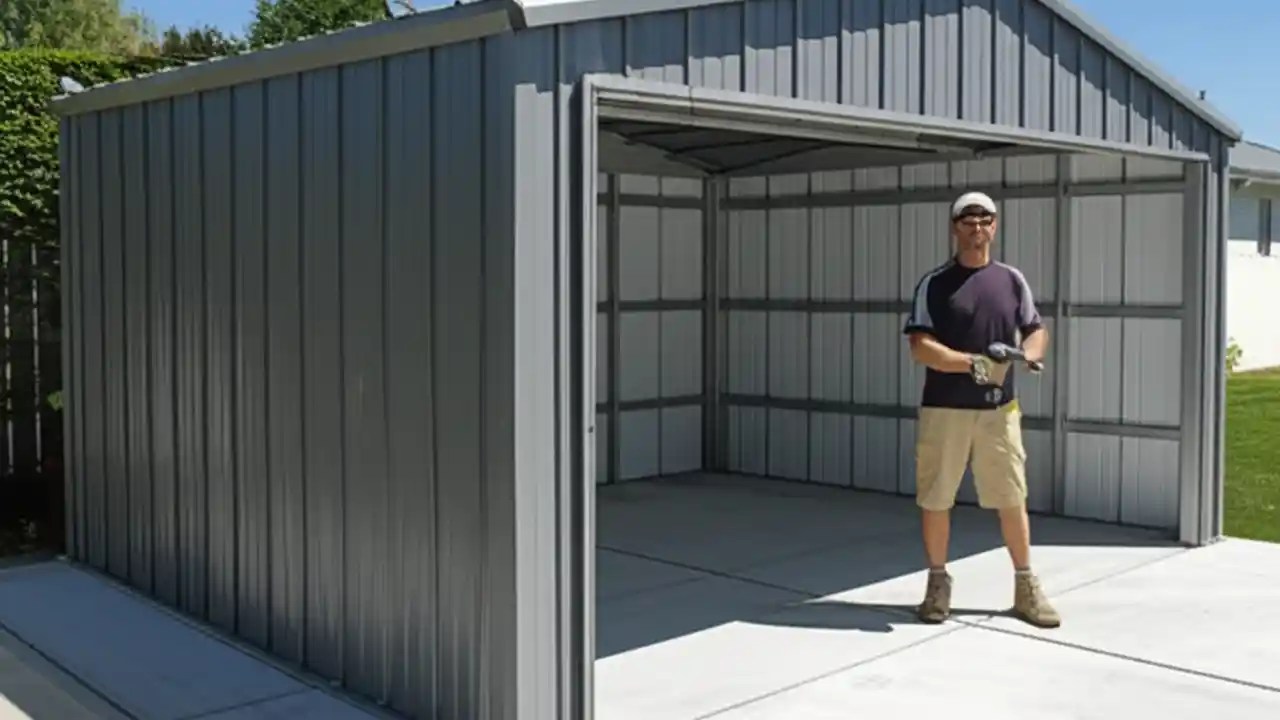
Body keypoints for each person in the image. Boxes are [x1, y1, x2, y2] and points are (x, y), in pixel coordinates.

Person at [901, 190, 1061, 629]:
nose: (977, 227)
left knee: (1012, 496)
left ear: (995, 225)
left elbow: (1036, 330)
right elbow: (920, 346)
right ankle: (937, 587)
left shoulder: (1011, 280)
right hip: (944, 412)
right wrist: (974, 364)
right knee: (936, 498)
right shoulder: (934, 283)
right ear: (955, 228)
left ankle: (1026, 588)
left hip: (999, 412)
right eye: (967, 220)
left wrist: (1025, 355)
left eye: (985, 219)